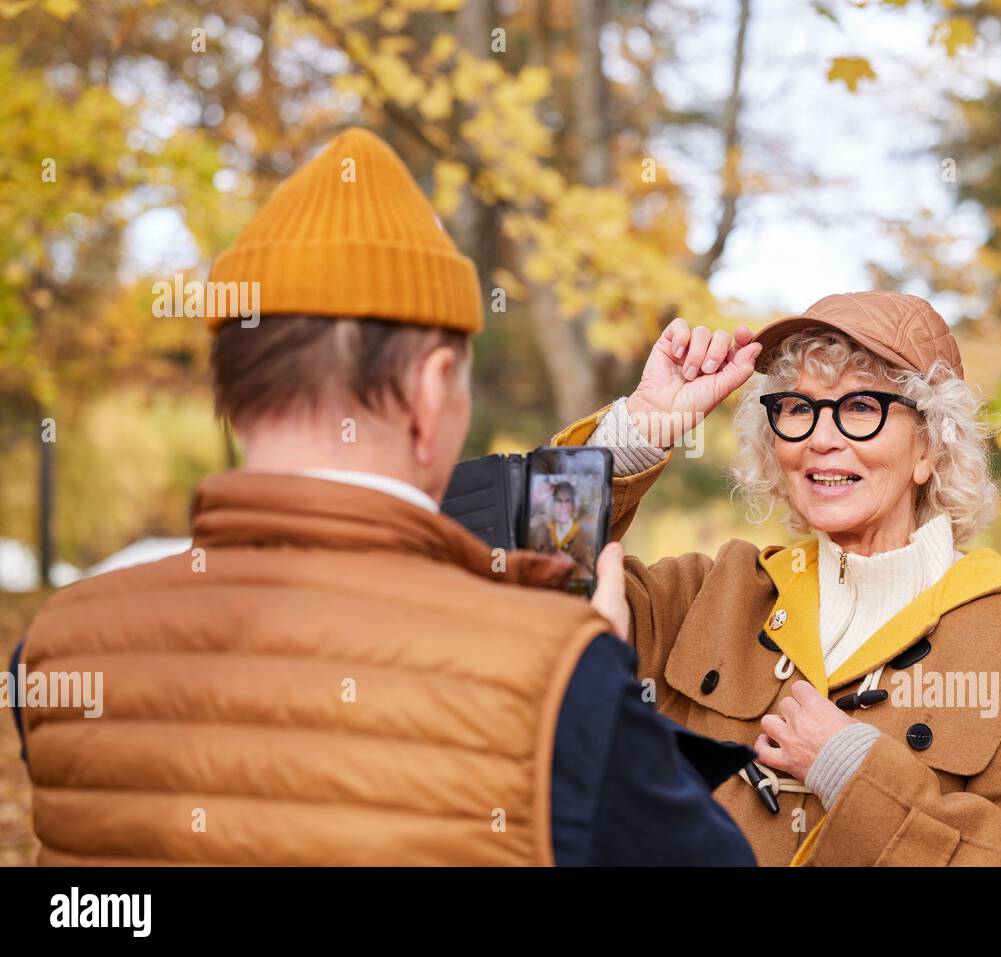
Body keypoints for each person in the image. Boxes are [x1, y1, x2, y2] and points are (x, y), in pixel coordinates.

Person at [10, 127, 755, 866]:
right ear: (430, 391)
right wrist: (603, 692)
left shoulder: (61, 646)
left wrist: (631, 435)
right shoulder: (551, 680)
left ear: (235, 397)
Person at [549, 291, 1001, 866]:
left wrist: (854, 771)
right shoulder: (708, 595)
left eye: (862, 406)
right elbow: (515, 588)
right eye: (797, 407)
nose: (821, 437)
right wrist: (635, 432)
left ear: (929, 449)